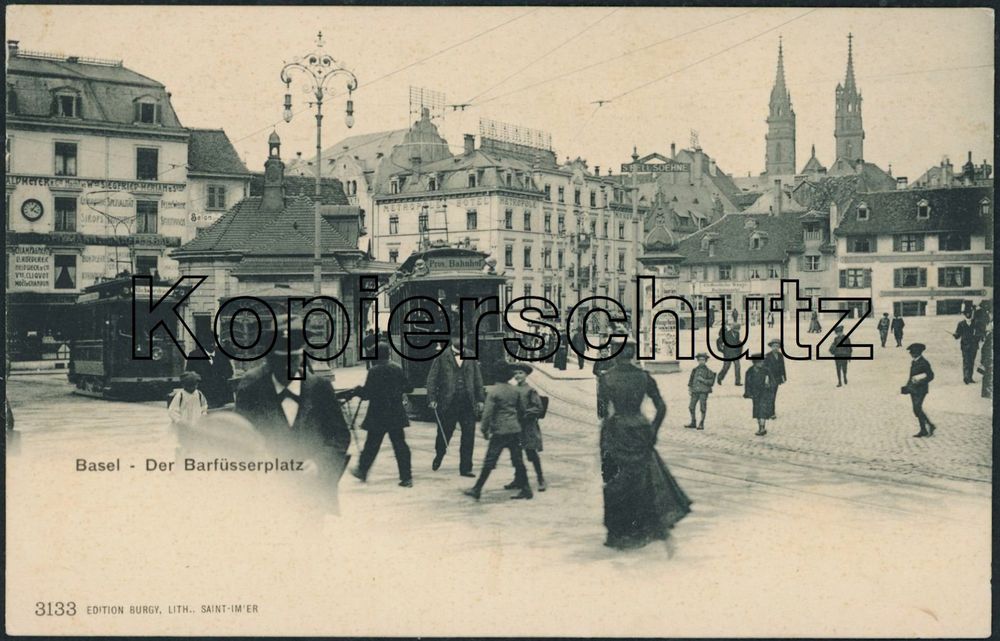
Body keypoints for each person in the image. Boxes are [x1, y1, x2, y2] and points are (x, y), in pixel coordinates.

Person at [234, 315, 351, 513]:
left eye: (293, 359)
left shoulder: (319, 388)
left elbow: (339, 436)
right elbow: (238, 438)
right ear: (269, 360)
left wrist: (319, 463)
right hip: (267, 496)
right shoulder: (251, 389)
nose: (287, 368)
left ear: (301, 357)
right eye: (280, 361)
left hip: (311, 495)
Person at [597, 343, 691, 550]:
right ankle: (642, 528)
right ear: (632, 356)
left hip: (616, 431)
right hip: (640, 430)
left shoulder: (606, 378)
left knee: (614, 481)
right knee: (643, 480)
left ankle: (618, 532)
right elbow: (661, 407)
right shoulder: (644, 377)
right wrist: (653, 431)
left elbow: (602, 412)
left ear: (614, 356)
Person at [464, 362, 532, 501]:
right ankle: (526, 489)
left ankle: (477, 489)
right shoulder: (515, 390)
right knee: (517, 460)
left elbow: (487, 414)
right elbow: (522, 410)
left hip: (500, 431)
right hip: (514, 430)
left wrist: (484, 429)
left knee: (489, 461)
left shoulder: (494, 392)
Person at [349, 342, 413, 487]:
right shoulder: (397, 368)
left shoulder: (374, 371)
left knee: (371, 445)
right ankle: (407, 477)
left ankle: (362, 470)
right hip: (395, 414)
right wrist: (396, 391)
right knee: (400, 445)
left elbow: (367, 394)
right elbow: (409, 387)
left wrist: (358, 391)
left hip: (378, 415)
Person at [426, 334, 486, 477]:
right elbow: (431, 379)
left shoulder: (471, 355)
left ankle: (466, 468)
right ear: (452, 339)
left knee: (468, 436)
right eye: (458, 338)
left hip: (467, 403)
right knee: (444, 434)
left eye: (463, 338)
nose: (461, 341)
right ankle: (439, 454)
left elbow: (478, 379)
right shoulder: (442, 356)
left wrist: (480, 400)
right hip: (448, 403)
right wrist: (432, 398)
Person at [504, 362, 546, 491]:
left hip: (528, 426)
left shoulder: (530, 391)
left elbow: (538, 407)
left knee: (531, 453)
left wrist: (526, 413)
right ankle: (518, 479)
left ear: (526, 375)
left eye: (521, 373)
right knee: (516, 455)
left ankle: (540, 479)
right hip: (515, 426)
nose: (518, 375)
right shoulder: (513, 389)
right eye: (516, 373)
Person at [185, 339, 234, 409]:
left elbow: (230, 371)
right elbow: (189, 374)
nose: (212, 345)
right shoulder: (194, 355)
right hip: (203, 394)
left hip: (222, 395)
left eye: (213, 342)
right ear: (203, 344)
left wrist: (221, 377)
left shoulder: (221, 353)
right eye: (209, 342)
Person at [902, 343, 936, 438]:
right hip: (913, 389)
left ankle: (929, 426)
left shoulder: (924, 362)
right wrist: (907, 387)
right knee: (916, 410)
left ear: (918, 353)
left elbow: (931, 376)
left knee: (917, 408)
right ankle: (924, 429)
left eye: (912, 352)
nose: (911, 354)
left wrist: (921, 381)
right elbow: (911, 376)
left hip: (921, 390)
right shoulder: (914, 362)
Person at [743, 355, 773, 436]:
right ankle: (760, 427)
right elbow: (747, 383)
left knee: (762, 410)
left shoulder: (766, 370)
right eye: (760, 362)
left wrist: (769, 385)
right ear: (755, 362)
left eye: (762, 362)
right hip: (755, 394)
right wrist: (747, 393)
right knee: (757, 410)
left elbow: (772, 381)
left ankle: (762, 428)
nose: (762, 363)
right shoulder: (750, 371)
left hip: (764, 393)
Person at [686, 353, 716, 430]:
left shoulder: (709, 371)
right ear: (698, 360)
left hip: (703, 391)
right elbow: (690, 380)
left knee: (702, 408)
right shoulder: (694, 370)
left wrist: (703, 380)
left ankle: (701, 423)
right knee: (691, 407)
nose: (701, 361)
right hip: (695, 391)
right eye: (699, 360)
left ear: (706, 361)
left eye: (703, 360)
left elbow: (711, 382)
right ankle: (693, 422)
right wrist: (690, 389)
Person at [953, 311, 979, 384]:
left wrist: (977, 338)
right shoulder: (961, 324)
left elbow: (980, 333)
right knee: (966, 361)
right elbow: (958, 335)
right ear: (964, 315)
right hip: (965, 346)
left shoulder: (976, 323)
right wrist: (955, 335)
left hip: (974, 346)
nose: (968, 314)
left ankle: (970, 378)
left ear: (971, 314)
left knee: (971, 361)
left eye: (969, 313)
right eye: (966, 313)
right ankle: (966, 377)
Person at [763, 338, 786, 418]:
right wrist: (765, 378)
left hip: (777, 378)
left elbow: (782, 367)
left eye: (777, 346)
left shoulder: (780, 356)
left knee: (773, 395)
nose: (775, 348)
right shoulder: (767, 356)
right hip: (769, 378)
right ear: (771, 347)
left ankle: (769, 412)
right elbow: (764, 368)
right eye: (774, 346)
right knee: (770, 396)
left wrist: (784, 377)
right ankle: (771, 413)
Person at [716, 322, 744, 386]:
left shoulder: (737, 334)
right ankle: (720, 377)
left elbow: (737, 341)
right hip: (728, 354)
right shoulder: (726, 334)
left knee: (738, 367)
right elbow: (718, 341)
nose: (738, 330)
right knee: (726, 367)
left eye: (738, 329)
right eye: (736, 329)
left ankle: (737, 382)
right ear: (733, 329)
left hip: (735, 354)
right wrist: (721, 350)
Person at [978, 322, 992, 399]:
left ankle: (986, 392)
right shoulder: (990, 336)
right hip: (988, 359)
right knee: (987, 375)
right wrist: (983, 361)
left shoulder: (989, 335)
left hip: (988, 359)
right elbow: (984, 349)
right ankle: (986, 392)